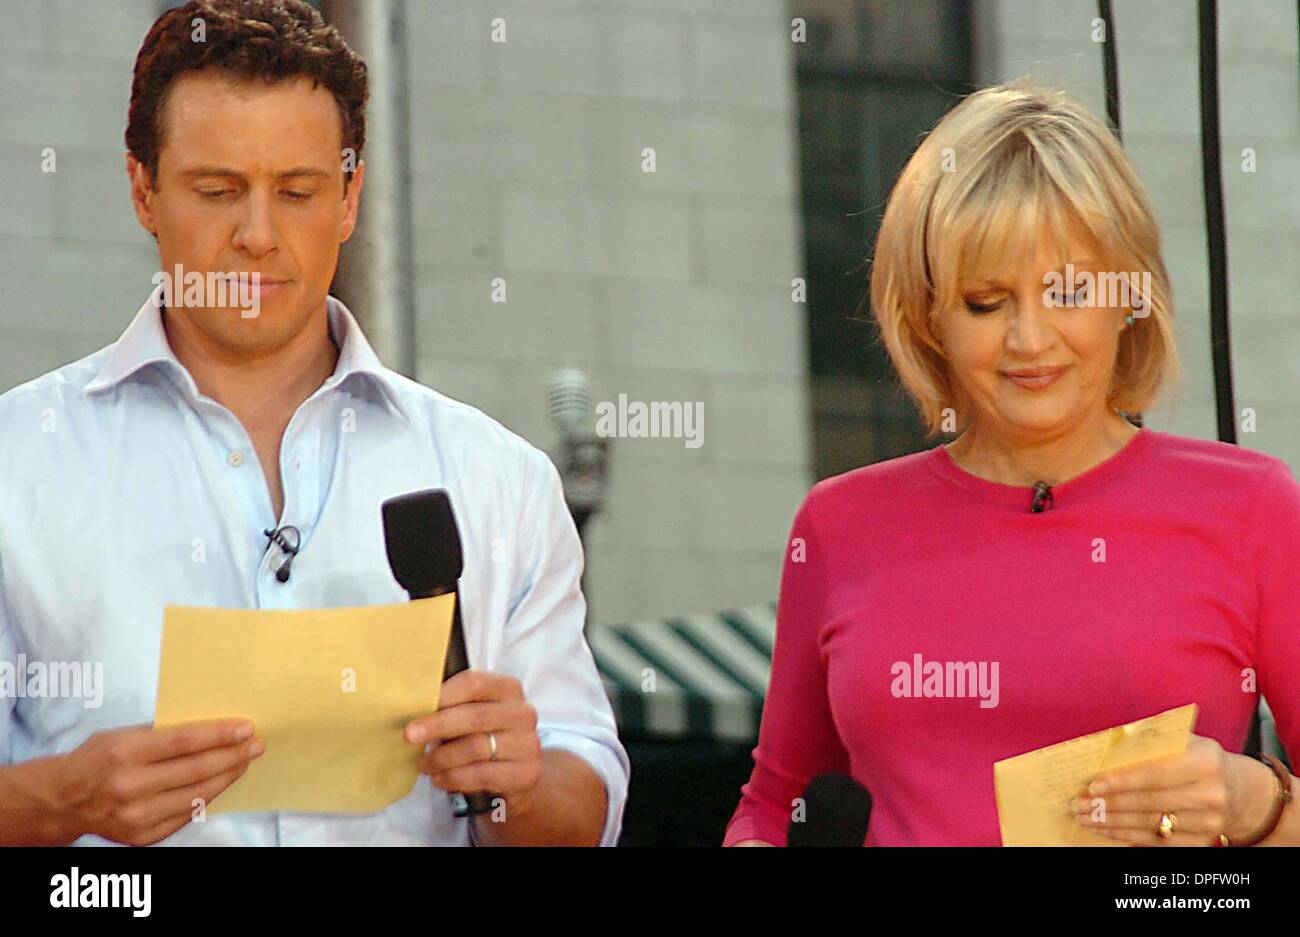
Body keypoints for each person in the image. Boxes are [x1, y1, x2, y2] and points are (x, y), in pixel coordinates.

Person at [0, 0, 627, 846]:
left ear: (350, 197)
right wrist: (58, 800)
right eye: (217, 190)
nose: (258, 235)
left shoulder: (497, 478)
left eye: (297, 192)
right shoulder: (18, 464)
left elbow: (581, 806)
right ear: (143, 189)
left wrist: (514, 783)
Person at [725, 80, 1299, 847]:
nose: (1030, 339)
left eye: (1067, 292)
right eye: (987, 302)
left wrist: (1255, 805)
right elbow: (773, 802)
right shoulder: (837, 526)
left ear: (1128, 293)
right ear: (928, 316)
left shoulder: (1252, 508)